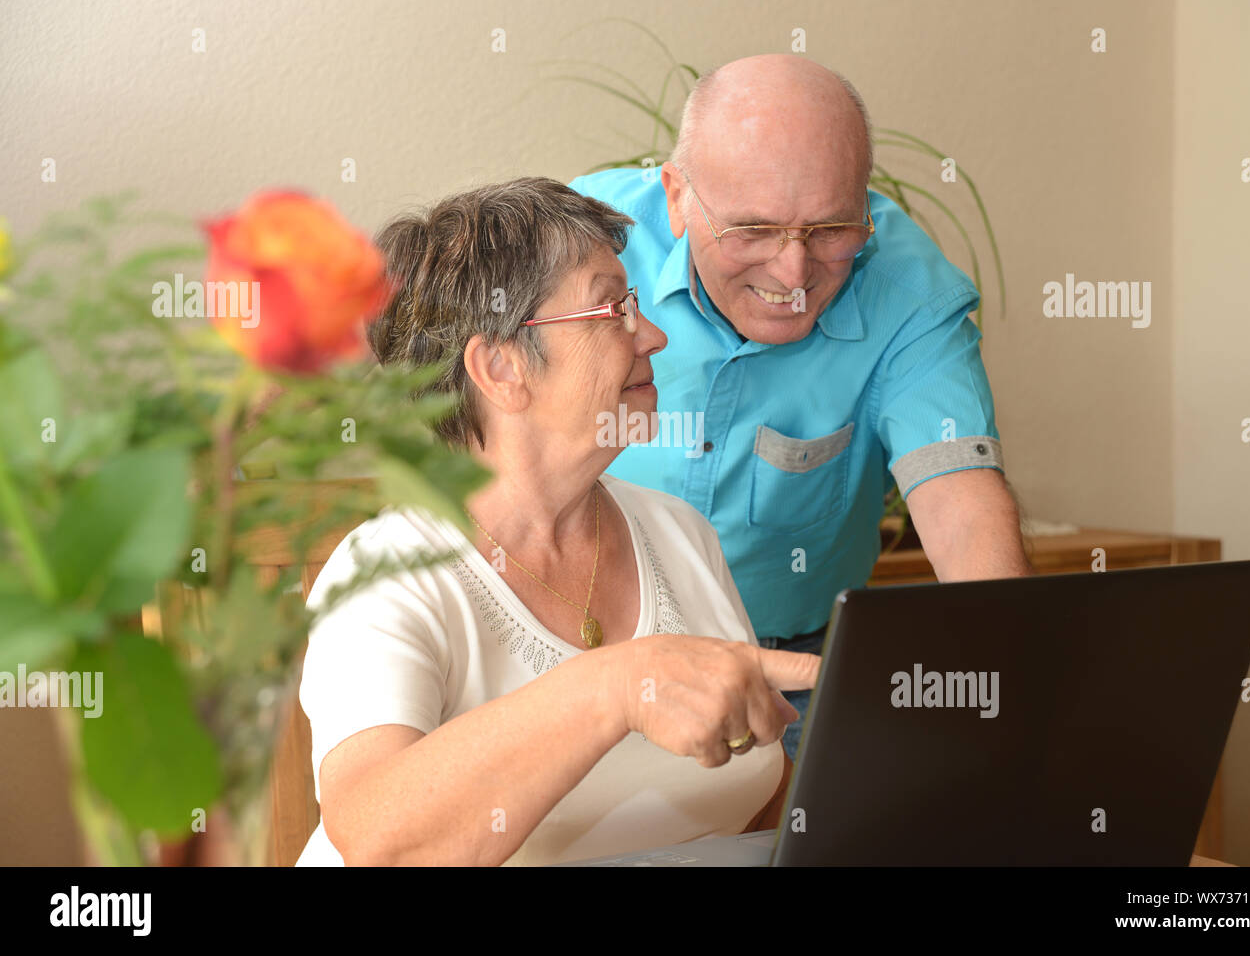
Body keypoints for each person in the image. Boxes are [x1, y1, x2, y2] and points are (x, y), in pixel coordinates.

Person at [294, 177, 820, 866]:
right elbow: (378, 841)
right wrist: (618, 685)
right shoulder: (386, 576)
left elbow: (755, 794)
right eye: (612, 309)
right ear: (501, 365)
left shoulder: (681, 535)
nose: (653, 334)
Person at [569, 54, 1033, 759]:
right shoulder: (576, 249)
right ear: (676, 196)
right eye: (752, 230)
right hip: (585, 667)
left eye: (829, 229)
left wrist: (1015, 692)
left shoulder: (910, 291)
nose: (793, 272)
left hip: (791, 679)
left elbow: (962, 505)